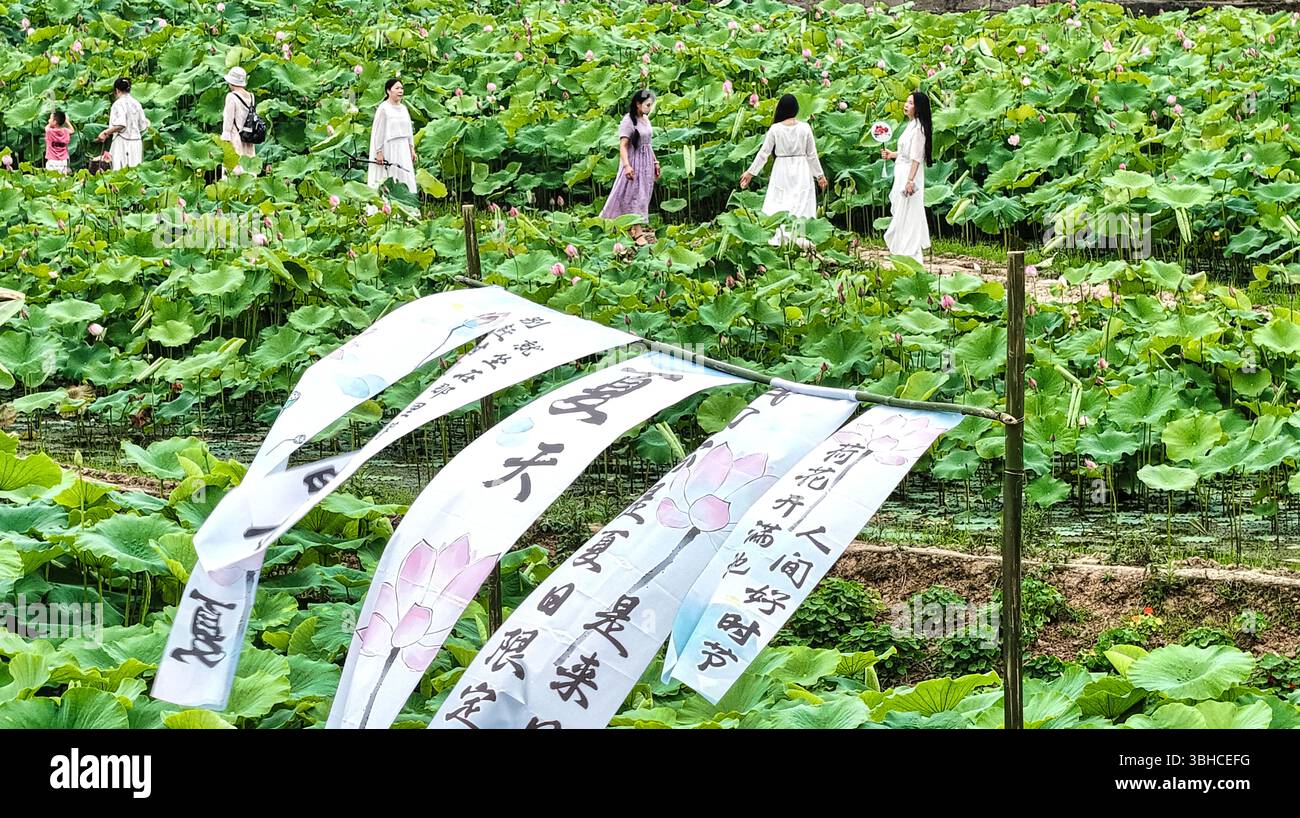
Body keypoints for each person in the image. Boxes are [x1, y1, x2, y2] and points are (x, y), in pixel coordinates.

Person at [740, 93, 828, 247]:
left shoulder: (775, 129)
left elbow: (764, 154)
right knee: (801, 203)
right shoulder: (805, 128)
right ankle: (800, 239)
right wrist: (820, 176)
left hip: (781, 168)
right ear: (796, 109)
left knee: (780, 202)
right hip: (802, 168)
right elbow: (812, 155)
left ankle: (779, 237)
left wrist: (750, 172)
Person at [599, 89, 659, 243]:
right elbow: (623, 145)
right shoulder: (628, 121)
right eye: (647, 105)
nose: (649, 108)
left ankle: (629, 226)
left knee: (643, 195)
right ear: (638, 104)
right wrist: (627, 166)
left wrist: (655, 162)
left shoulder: (646, 119)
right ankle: (637, 232)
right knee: (633, 195)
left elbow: (648, 144)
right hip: (633, 161)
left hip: (646, 163)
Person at [881, 90, 933, 264]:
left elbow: (917, 157)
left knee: (908, 210)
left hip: (910, 174)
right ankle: (902, 247)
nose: (906, 105)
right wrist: (891, 154)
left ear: (918, 108)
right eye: (907, 102)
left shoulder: (918, 129)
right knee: (900, 208)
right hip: (902, 170)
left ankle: (909, 251)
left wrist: (910, 181)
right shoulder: (911, 125)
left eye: (910, 103)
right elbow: (906, 152)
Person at [367, 78, 417, 193]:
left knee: (405, 174)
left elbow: (409, 130)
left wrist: (411, 148)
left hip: (403, 147)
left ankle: (406, 205)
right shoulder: (384, 108)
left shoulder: (404, 108)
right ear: (388, 91)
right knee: (390, 175)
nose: (400, 91)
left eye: (401, 88)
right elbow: (379, 131)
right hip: (389, 146)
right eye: (397, 88)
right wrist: (378, 151)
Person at [96, 78, 149, 170]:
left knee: (119, 171)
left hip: (122, 142)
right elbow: (143, 126)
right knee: (135, 171)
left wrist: (105, 133)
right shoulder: (137, 104)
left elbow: (121, 124)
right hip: (136, 142)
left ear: (116, 90)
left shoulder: (118, 104)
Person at [220, 67, 257, 174]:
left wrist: (225, 140)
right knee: (248, 169)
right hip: (249, 137)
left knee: (234, 169)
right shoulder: (251, 97)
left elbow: (228, 121)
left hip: (235, 136)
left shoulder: (231, 97)